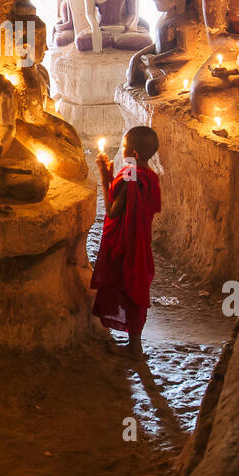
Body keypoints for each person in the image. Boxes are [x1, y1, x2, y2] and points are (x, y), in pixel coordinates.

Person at [90, 126, 162, 361]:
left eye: (123, 148)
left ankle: (134, 349)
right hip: (139, 243)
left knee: (128, 287)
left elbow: (112, 212)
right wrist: (113, 179)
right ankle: (135, 346)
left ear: (134, 154)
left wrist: (103, 178)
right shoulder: (148, 176)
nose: (121, 152)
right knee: (136, 287)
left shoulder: (132, 177)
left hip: (125, 244)